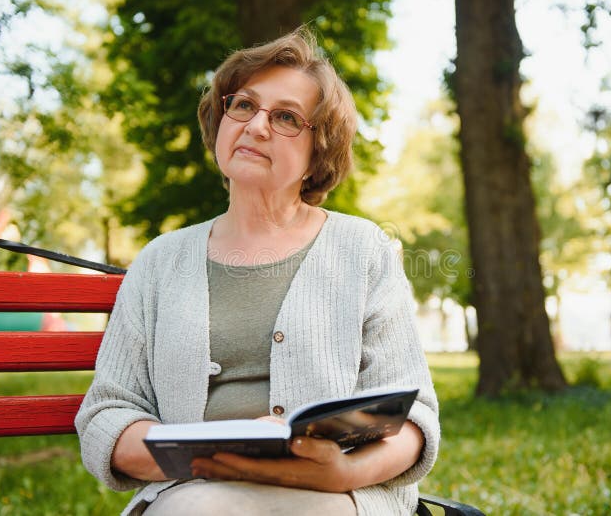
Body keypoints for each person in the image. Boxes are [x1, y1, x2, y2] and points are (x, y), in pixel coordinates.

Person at [75, 26, 439, 516]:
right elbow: (107, 416)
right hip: (190, 495)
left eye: (286, 117)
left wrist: (346, 473)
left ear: (319, 151)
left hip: (339, 497)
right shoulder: (160, 260)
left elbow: (414, 419)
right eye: (243, 105)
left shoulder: (363, 249)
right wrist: (209, 455)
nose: (257, 126)